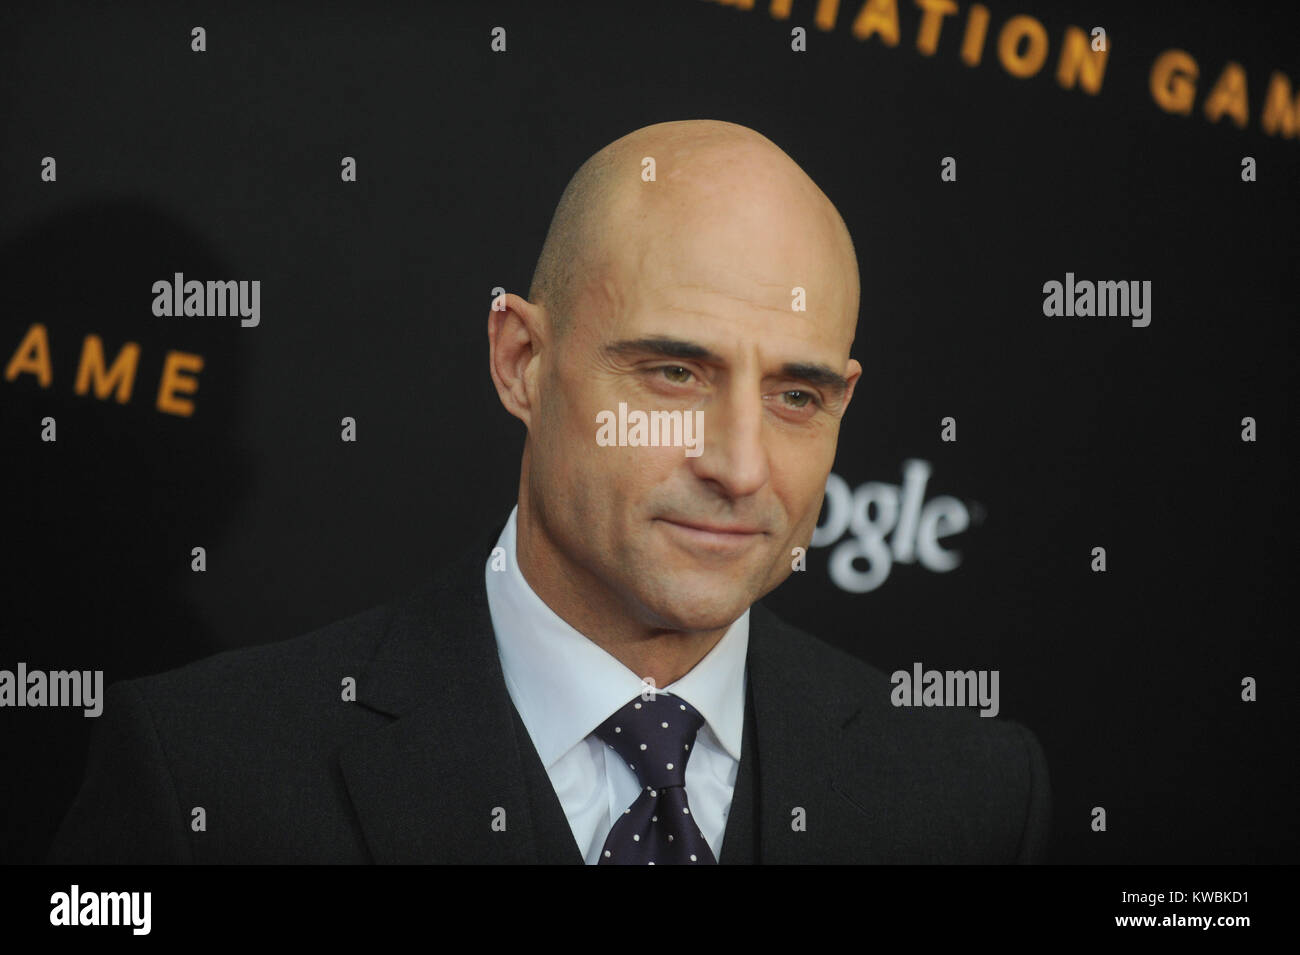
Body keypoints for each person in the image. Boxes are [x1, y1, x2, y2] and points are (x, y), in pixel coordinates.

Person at [48, 119, 1051, 864]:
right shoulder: (203, 777)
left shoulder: (970, 799)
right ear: (523, 360)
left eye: (797, 394)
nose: (740, 466)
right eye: (673, 372)